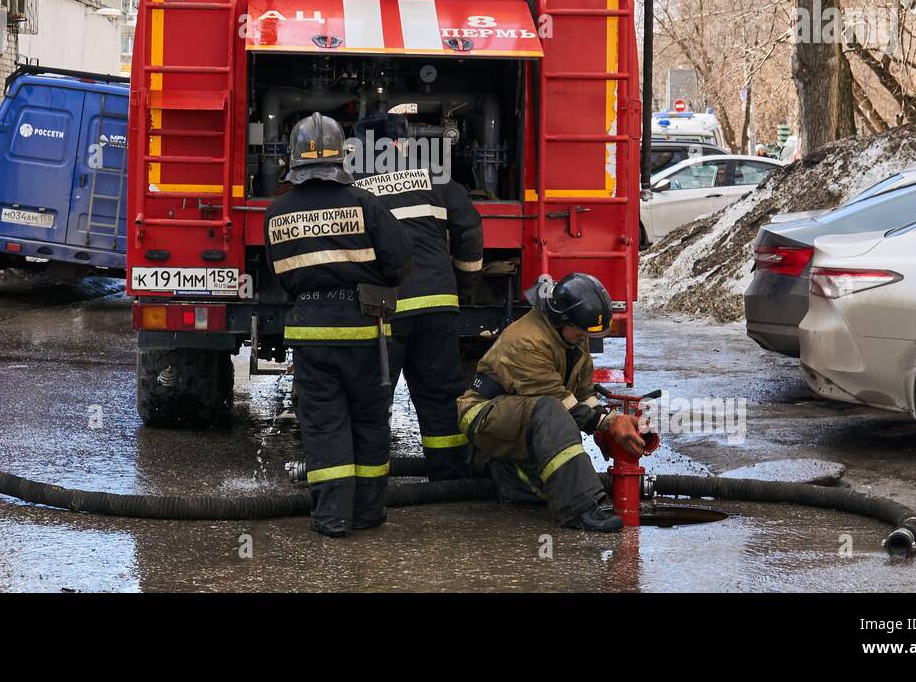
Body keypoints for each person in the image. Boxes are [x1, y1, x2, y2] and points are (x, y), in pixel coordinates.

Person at [265, 113, 411, 537]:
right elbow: (399, 262)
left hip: (311, 332)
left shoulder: (276, 212)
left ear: (293, 160)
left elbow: (284, 276)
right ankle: (369, 513)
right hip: (365, 331)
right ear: (340, 156)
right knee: (369, 421)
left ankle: (331, 518)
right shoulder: (365, 202)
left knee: (324, 425)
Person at [350, 111, 484, 480]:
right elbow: (469, 229)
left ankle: (369, 484)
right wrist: (463, 284)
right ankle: (449, 477)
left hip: (383, 310)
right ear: (402, 142)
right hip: (438, 307)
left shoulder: (354, 184)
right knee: (441, 395)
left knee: (374, 399)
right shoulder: (436, 176)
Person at [456, 272, 645, 532]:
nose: (584, 339)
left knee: (550, 484)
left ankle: (510, 476)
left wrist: (605, 423)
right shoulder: (527, 341)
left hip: (519, 412)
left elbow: (583, 396)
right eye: (579, 333)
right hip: (483, 414)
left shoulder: (573, 339)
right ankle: (578, 510)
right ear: (560, 319)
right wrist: (610, 423)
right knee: (551, 411)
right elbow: (562, 403)